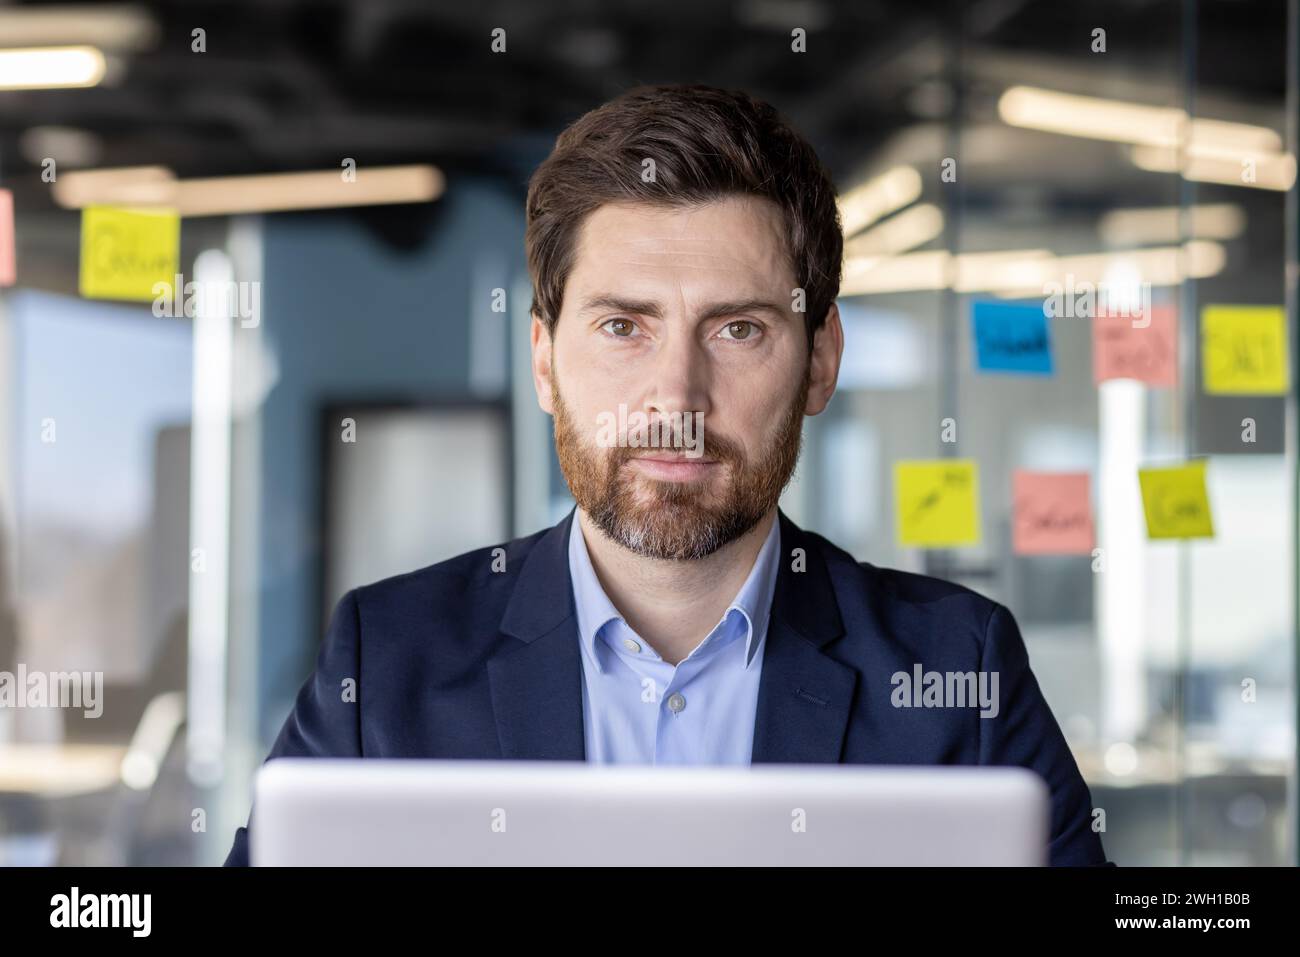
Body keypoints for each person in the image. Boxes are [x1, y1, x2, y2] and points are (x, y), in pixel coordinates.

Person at [225, 83, 1110, 867]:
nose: (676, 394)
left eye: (738, 329)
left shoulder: (957, 671)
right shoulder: (386, 662)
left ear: (818, 362)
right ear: (543, 358)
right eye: (623, 326)